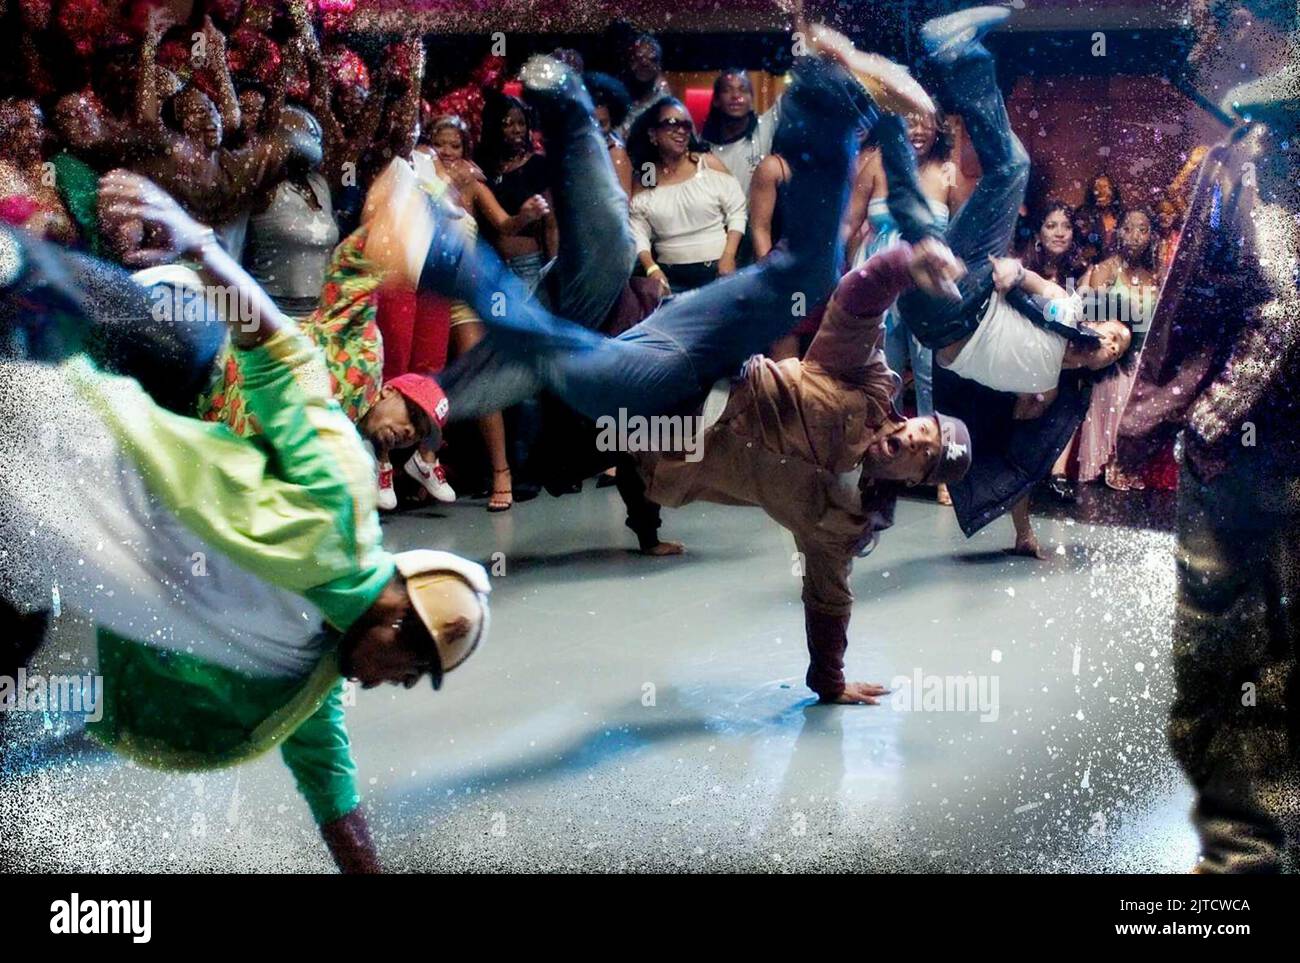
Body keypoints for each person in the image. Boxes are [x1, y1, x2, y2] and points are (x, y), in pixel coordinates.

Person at [365, 39, 968, 702]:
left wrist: (829, 681)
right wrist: (905, 261)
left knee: (571, 355)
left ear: (916, 480)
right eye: (923, 429)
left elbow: (828, 601)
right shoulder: (870, 389)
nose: (911, 439)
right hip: (714, 350)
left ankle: (540, 124)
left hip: (667, 421)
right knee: (812, 271)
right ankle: (831, 91)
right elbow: (855, 303)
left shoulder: (842, 524)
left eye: (924, 454)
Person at [0, 173, 490, 874]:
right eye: (407, 672)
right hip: (175, 373)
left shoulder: (307, 676)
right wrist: (199, 242)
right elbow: (283, 360)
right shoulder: (341, 505)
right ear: (398, 620)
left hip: (42, 493)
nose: (388, 685)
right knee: (51, 292)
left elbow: (332, 786)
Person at [1116, 0, 1300, 874]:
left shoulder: (1257, 152)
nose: (1198, 46)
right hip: (1259, 447)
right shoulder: (1245, 149)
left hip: (1255, 454)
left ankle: (1245, 860)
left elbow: (1260, 301)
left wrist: (1206, 417)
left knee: (1227, 654)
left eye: (1207, 22)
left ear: (1252, 23)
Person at [889, 6, 1139, 558]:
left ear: (1107, 368)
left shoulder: (1051, 394)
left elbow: (1018, 459)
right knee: (1014, 162)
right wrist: (1016, 273)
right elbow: (1040, 291)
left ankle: (958, 57)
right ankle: (961, 58)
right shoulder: (1068, 318)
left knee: (1010, 168)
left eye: (1115, 346)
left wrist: (1021, 528)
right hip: (963, 294)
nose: (1107, 339)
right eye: (1110, 330)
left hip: (942, 318)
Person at [841, 104, 957, 504]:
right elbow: (849, 224)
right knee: (881, 374)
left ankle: (939, 469)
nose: (918, 129)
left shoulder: (948, 170)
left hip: (927, 286)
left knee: (928, 373)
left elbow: (965, 234)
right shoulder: (875, 161)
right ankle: (881, 465)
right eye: (908, 120)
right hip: (879, 283)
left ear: (938, 126)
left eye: (926, 120)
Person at [1075, 207, 1159, 491]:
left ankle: (1129, 461)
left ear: (1151, 237)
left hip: (1140, 356)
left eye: (1143, 230)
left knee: (1147, 383)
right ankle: (1110, 461)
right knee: (1124, 380)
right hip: (1110, 355)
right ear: (1118, 232)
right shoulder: (1105, 269)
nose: (1135, 236)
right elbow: (1094, 319)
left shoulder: (1154, 276)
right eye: (1129, 228)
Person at [627, 97, 747, 295]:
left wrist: (729, 256)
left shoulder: (706, 163)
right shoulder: (648, 173)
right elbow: (639, 229)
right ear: (653, 134)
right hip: (670, 278)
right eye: (672, 124)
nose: (681, 130)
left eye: (686, 125)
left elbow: (737, 212)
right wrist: (651, 268)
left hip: (717, 272)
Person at [700, 68, 782, 198]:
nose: (736, 96)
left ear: (751, 101)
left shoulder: (764, 128)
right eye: (727, 90)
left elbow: (790, 96)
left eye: (743, 90)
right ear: (716, 100)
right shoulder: (702, 146)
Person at [583, 71, 634, 199]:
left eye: (602, 124)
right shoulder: (573, 148)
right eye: (590, 123)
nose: (596, 130)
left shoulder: (616, 154)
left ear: (612, 121)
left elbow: (622, 207)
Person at [616, 31, 672, 141]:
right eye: (639, 58)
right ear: (629, 62)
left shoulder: (665, 104)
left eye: (652, 59)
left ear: (659, 65)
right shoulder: (614, 100)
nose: (645, 64)